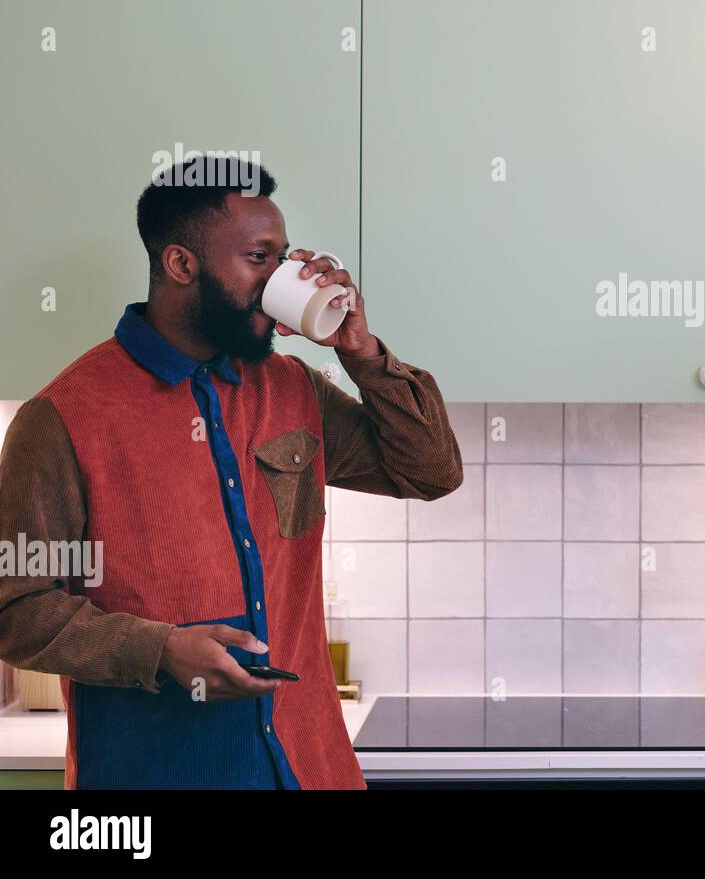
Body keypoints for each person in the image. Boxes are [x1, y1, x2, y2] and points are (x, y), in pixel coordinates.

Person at [0, 155, 463, 789]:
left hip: (309, 768)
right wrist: (160, 651)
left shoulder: (293, 388)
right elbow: (14, 608)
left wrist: (363, 353)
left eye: (283, 259)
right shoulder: (62, 418)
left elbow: (431, 470)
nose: (279, 281)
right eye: (259, 259)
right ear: (181, 265)